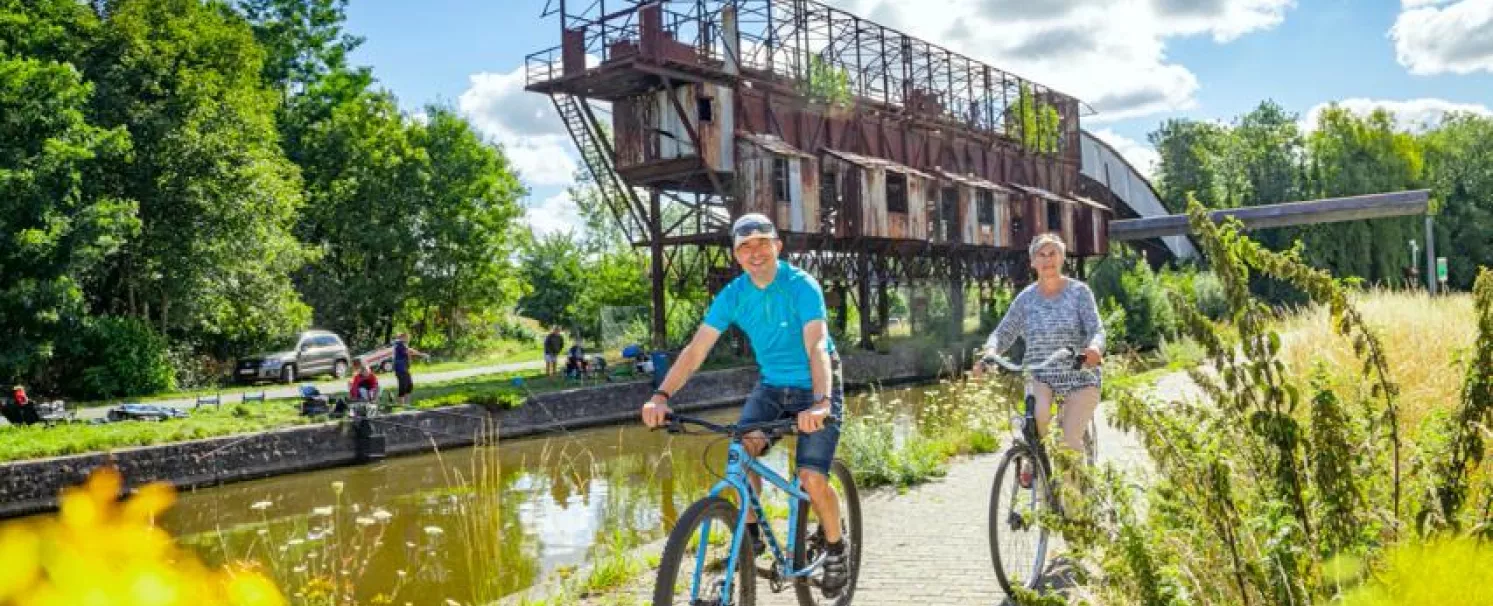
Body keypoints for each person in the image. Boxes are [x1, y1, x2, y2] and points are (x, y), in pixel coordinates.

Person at [640, 212, 850, 594]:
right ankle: (750, 535)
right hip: (772, 386)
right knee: (740, 450)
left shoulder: (801, 285)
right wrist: (661, 395)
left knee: (811, 477)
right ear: (737, 255)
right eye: (745, 247)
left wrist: (820, 403)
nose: (755, 253)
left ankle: (836, 548)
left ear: (777, 247)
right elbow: (696, 350)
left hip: (817, 383)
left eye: (762, 243)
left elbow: (817, 345)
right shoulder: (733, 295)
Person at [975, 232, 1105, 458]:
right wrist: (990, 352)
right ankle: (1035, 459)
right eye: (1041, 255)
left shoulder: (1079, 293)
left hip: (1080, 376)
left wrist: (1095, 347)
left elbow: (1097, 330)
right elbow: (1004, 332)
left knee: (1068, 443)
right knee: (1036, 418)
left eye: (1052, 253)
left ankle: (1074, 491)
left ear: (1062, 258)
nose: (1047, 260)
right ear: (1033, 262)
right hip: (1041, 374)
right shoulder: (1026, 298)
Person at [391, 333, 424, 406]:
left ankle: (407, 404)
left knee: (409, 385)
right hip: (400, 369)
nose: (408, 339)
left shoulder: (403, 345)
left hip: (405, 369)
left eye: (408, 338)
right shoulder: (399, 345)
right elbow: (409, 352)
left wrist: (421, 354)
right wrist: (420, 355)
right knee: (403, 386)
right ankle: (401, 404)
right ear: (402, 338)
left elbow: (410, 350)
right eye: (407, 338)